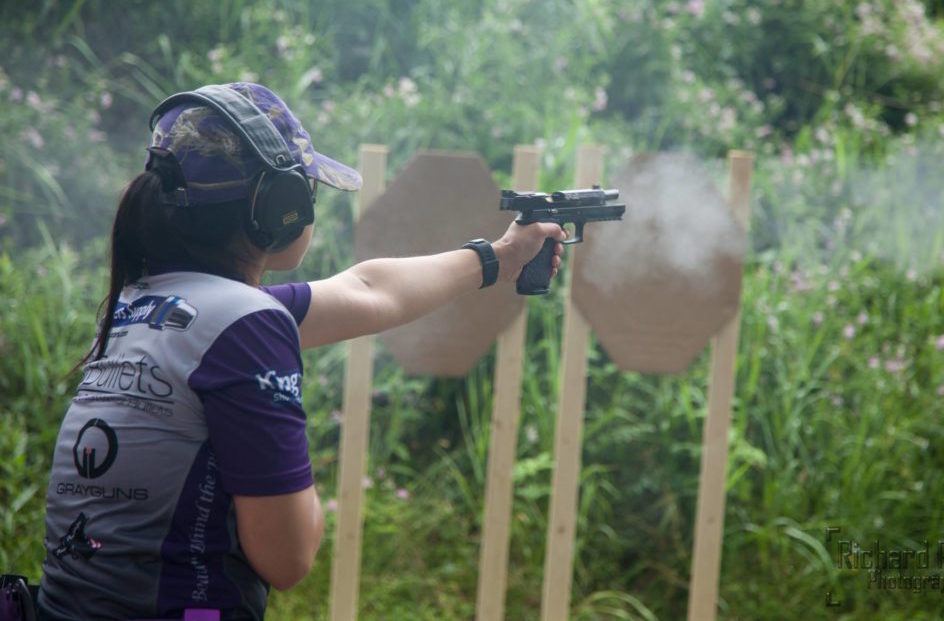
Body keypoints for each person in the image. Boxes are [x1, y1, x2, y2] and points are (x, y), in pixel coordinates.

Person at [37, 82, 565, 620]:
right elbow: (288, 558)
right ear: (279, 207)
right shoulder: (248, 326)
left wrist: (501, 256)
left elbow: (369, 291)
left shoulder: (144, 304)